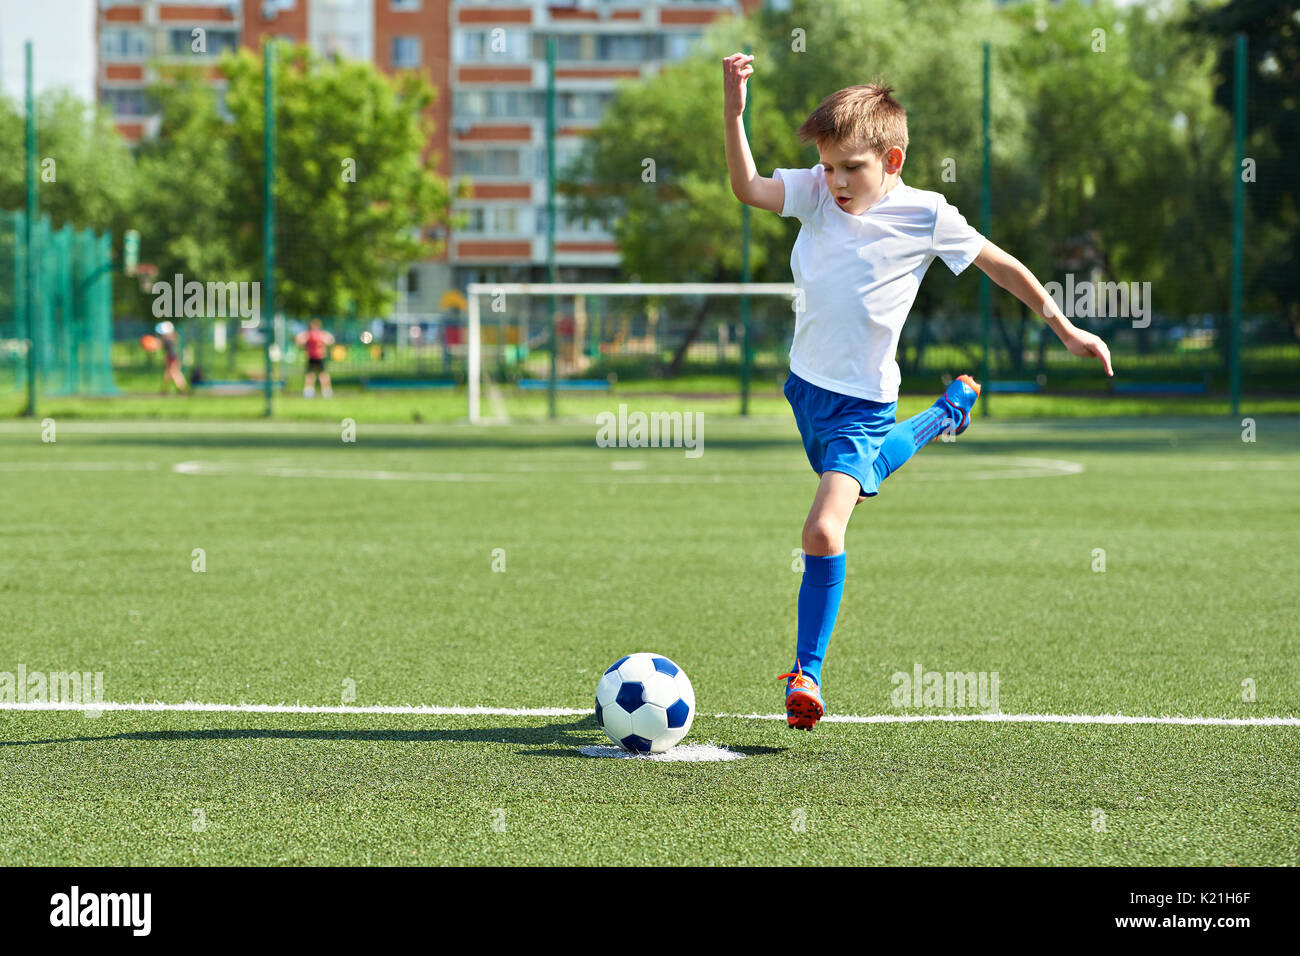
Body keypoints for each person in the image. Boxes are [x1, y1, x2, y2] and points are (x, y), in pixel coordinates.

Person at [722, 54, 1113, 729]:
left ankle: (805, 674)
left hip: (863, 403)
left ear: (892, 160)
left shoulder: (925, 215)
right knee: (867, 469)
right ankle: (946, 414)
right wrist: (734, 113)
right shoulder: (816, 193)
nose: (837, 181)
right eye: (829, 165)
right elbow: (750, 189)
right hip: (806, 392)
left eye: (853, 167)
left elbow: (1003, 266)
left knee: (823, 528)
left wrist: (1064, 326)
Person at [296, 319, 335, 398]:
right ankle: (309, 391)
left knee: (323, 374)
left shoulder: (321, 334)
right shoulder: (309, 334)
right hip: (311, 357)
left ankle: (326, 390)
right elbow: (299, 340)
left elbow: (330, 340)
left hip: (320, 357)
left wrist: (322, 342)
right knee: (310, 374)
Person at [157, 322, 187, 394]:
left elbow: (160, 345)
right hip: (172, 356)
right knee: (170, 373)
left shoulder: (167, 339)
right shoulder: (172, 337)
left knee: (174, 373)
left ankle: (181, 388)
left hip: (171, 357)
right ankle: (165, 389)